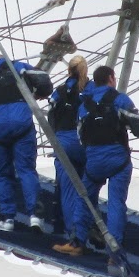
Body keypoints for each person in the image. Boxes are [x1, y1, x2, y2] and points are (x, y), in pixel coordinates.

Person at [63, 64, 139, 252]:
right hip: (118, 160)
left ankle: (78, 241)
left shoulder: (84, 106)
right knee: (116, 203)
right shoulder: (120, 100)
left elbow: (81, 136)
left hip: (94, 161)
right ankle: (114, 250)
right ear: (111, 78)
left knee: (85, 198)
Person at [0, 55, 52, 232]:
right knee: (26, 170)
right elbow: (44, 81)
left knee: (2, 174)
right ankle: (35, 216)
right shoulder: (20, 67)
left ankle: (7, 218)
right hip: (22, 125)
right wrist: (40, 94)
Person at [47, 55, 89, 255]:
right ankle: (88, 227)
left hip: (64, 140)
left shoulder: (59, 92)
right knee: (88, 187)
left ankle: (72, 235)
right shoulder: (89, 91)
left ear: (68, 71)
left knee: (68, 190)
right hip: (84, 143)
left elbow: (51, 116)